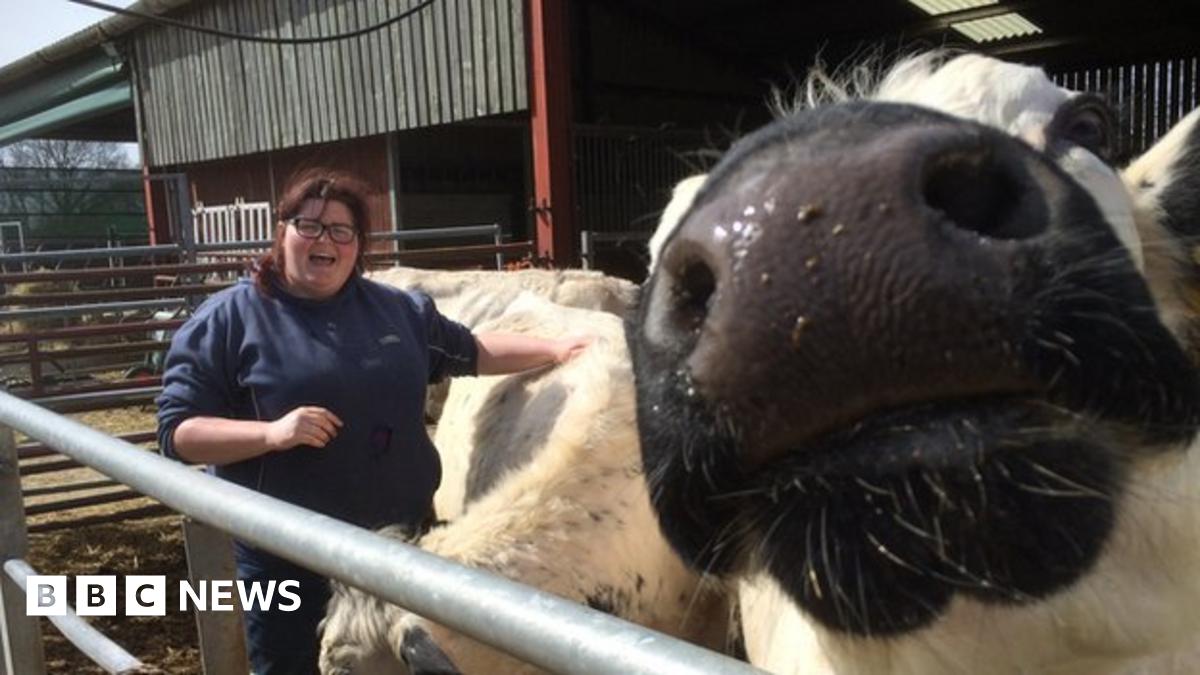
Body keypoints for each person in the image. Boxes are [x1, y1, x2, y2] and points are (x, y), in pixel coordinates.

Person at [155, 169, 589, 675]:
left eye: (342, 231)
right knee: (289, 667)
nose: (326, 241)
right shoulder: (229, 320)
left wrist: (557, 348)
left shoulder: (395, 311)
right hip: (289, 557)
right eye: (310, 226)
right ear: (282, 231)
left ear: (358, 245)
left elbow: (471, 349)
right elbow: (179, 434)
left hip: (400, 551)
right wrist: (272, 434)